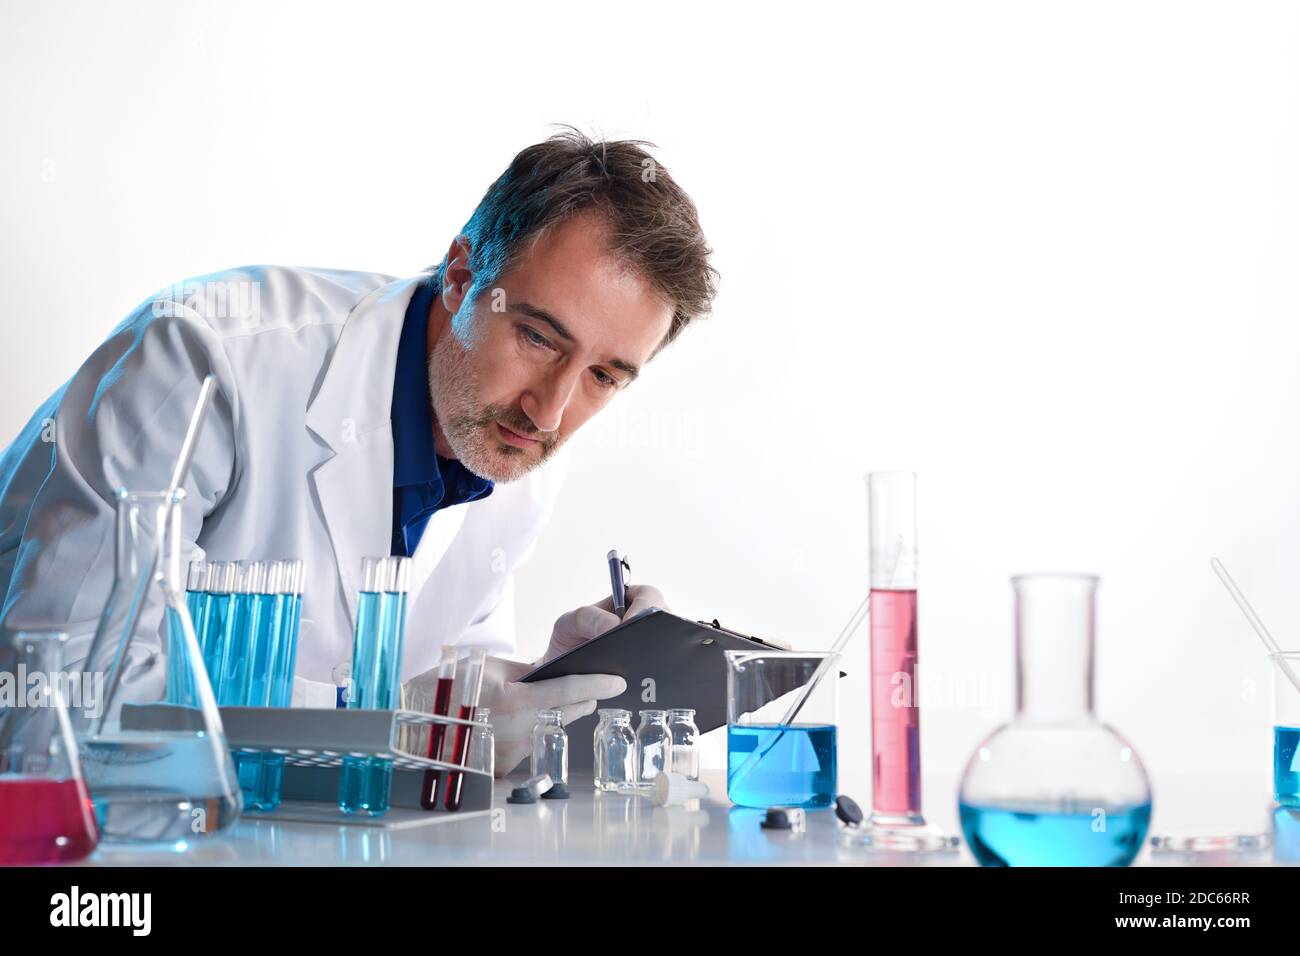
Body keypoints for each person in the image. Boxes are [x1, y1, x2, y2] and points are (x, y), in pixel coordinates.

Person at [0, 128, 717, 775]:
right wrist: (406, 733)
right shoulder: (205, 357)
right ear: (463, 275)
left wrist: (547, 687)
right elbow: (55, 725)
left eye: (602, 376)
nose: (551, 409)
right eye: (536, 337)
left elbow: (441, 699)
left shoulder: (516, 451)